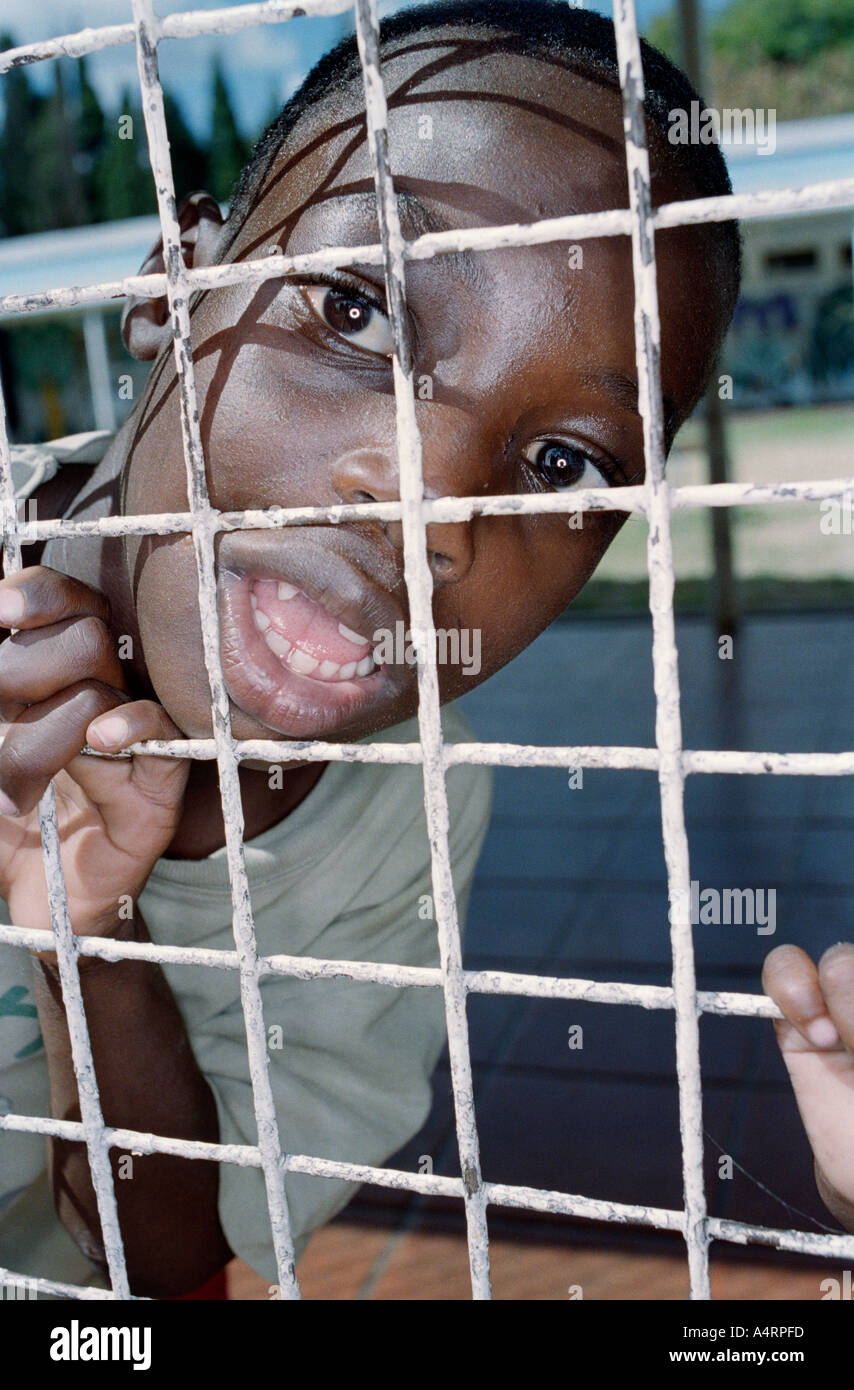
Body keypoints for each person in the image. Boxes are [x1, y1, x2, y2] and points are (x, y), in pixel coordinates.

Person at [0, 0, 850, 1298]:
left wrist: (88, 931)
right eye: (353, 307)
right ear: (173, 287)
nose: (424, 508)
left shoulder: (418, 804)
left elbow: (171, 1261)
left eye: (561, 460)